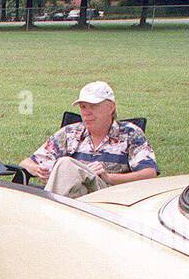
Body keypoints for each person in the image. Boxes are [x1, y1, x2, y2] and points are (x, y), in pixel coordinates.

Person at [19, 81, 158, 197]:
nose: (86, 112)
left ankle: (48, 215)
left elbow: (149, 173)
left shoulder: (130, 134)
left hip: (107, 199)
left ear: (111, 107)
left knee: (65, 164)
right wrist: (38, 170)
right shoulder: (70, 133)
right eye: (83, 107)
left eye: (93, 106)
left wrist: (109, 177)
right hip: (73, 198)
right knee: (66, 170)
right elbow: (26, 163)